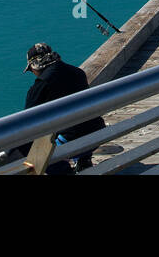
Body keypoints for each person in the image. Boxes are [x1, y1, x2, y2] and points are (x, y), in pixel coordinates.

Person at [13, 43, 106, 174]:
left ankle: (63, 171)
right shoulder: (78, 72)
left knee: (23, 142)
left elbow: (27, 121)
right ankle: (83, 161)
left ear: (35, 66)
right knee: (80, 123)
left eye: (31, 70)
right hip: (97, 130)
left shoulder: (42, 84)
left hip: (71, 140)